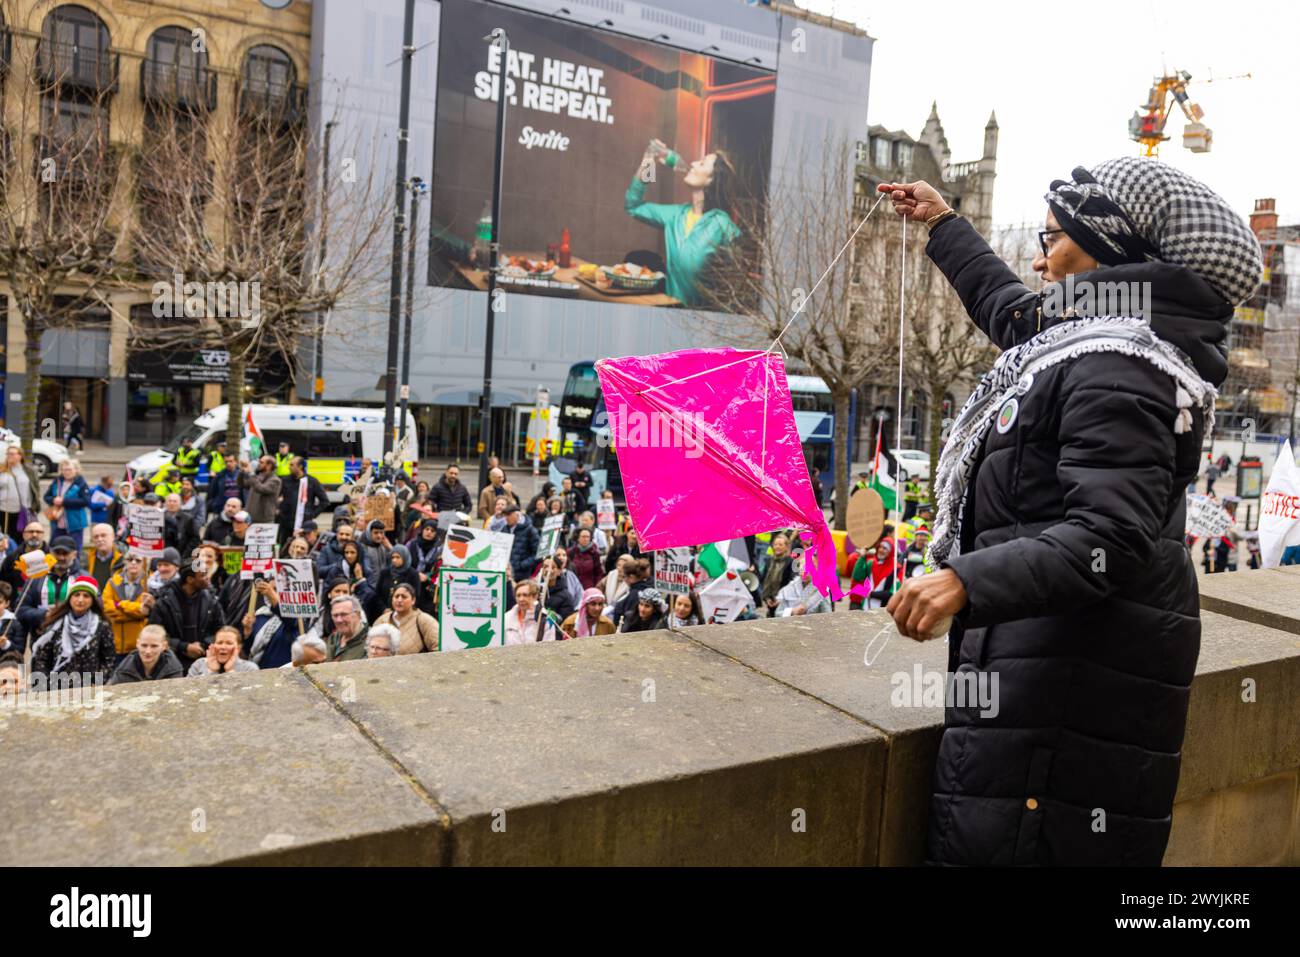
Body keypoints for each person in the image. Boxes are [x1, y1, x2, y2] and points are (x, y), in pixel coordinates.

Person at [878, 158, 1262, 866]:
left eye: (1053, 238)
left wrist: (965, 580)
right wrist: (940, 223)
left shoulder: (1125, 365)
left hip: (1063, 703)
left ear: (1109, 252)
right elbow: (1014, 311)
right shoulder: (1094, 336)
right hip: (1040, 679)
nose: (1038, 256)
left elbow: (1108, 535)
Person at [626, 141, 741, 306]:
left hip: (703, 323)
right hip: (669, 314)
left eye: (701, 163)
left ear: (712, 180)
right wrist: (649, 161)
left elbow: (736, 285)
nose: (693, 163)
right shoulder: (675, 215)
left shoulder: (722, 225)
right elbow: (633, 205)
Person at [29, 575, 115, 682]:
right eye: (76, 595)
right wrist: (45, 684)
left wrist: (97, 682)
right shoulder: (55, 625)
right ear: (70, 598)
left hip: (88, 688)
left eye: (86, 596)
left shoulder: (102, 626)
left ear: (93, 600)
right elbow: (42, 658)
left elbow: (108, 660)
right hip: (57, 686)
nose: (80, 600)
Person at [148, 560, 224, 673]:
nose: (207, 578)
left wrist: (203, 645)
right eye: (203, 575)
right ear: (190, 579)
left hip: (205, 661)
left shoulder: (211, 600)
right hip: (170, 663)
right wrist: (183, 646)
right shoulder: (164, 602)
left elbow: (220, 630)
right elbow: (154, 633)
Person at [17, 536, 81, 639]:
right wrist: (44, 615)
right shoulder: (35, 577)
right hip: (41, 637)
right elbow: (21, 609)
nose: (61, 557)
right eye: (57, 553)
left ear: (74, 555)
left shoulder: (83, 578)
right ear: (50, 553)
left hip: (74, 638)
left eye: (65, 553)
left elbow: (95, 608)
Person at [102, 553, 154, 662]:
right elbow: (108, 610)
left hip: (141, 646)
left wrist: (120, 604)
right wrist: (136, 613)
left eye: (138, 560)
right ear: (125, 562)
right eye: (130, 560)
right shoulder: (112, 582)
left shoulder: (150, 583)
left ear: (144, 563)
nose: (133, 563)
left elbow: (146, 612)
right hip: (116, 646)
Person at [243, 578, 299, 669]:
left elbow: (290, 619)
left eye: (277, 590)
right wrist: (247, 633)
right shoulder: (259, 615)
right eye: (270, 589)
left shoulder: (297, 616)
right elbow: (248, 651)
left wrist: (273, 598)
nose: (271, 593)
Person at [372, 583, 439, 654]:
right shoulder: (382, 621)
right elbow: (371, 649)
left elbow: (438, 648)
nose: (399, 600)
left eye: (404, 597)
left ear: (413, 600)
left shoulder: (424, 620)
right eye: (396, 596)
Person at [277, 457, 330, 544]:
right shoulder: (285, 480)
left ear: (300, 466)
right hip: (286, 522)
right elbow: (278, 496)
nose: (289, 467)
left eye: (292, 465)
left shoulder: (312, 481)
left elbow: (324, 501)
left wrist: (312, 514)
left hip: (304, 523)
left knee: (302, 546)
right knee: (284, 546)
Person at [108, 624, 182, 685]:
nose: (148, 651)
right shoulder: (124, 669)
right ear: (137, 644)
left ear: (164, 646)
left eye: (154, 646)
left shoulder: (174, 669)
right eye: (144, 645)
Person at [44, 459, 91, 546]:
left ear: (76, 470)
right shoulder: (57, 481)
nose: (66, 472)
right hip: (57, 522)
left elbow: (86, 501)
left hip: (75, 523)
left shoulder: (81, 483)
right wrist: (53, 500)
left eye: (69, 469)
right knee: (55, 548)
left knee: (74, 549)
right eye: (64, 469)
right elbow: (46, 497)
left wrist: (64, 501)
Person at [0, 446, 43, 540]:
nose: (9, 456)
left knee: (22, 536)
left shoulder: (29, 471)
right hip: (4, 510)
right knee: (6, 537)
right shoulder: (2, 469)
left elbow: (35, 488)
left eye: (12, 454)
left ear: (20, 456)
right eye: (8, 454)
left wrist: (35, 505)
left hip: (23, 511)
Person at [188, 624, 259, 677]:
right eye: (219, 643)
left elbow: (249, 695)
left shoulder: (250, 669)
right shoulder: (198, 664)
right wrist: (211, 671)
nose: (223, 647)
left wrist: (230, 671)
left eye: (229, 643)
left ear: (239, 647)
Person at [503, 579, 557, 645]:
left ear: (535, 596)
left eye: (525, 595)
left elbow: (549, 646)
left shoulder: (545, 619)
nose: (521, 599)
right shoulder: (506, 618)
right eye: (518, 595)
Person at [757, 532, 794, 617]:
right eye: (775, 544)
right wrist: (766, 598)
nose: (777, 547)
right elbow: (763, 580)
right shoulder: (769, 561)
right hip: (770, 601)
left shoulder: (790, 562)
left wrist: (781, 599)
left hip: (784, 602)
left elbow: (792, 582)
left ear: (786, 547)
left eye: (780, 545)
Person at [324, 594, 369, 662]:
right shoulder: (332, 639)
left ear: (358, 615)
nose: (339, 620)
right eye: (335, 615)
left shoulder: (371, 642)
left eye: (344, 614)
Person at [503, 505, 539, 591]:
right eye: (505, 515)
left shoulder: (530, 530)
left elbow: (537, 553)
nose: (506, 518)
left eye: (509, 515)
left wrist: (522, 565)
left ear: (517, 515)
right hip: (507, 574)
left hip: (522, 575)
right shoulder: (505, 529)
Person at [83, 523, 125, 591]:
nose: (100, 539)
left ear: (113, 537)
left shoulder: (124, 561)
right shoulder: (85, 560)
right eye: (96, 537)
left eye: (103, 535)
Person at [244, 455, 282, 524]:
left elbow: (261, 489)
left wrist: (251, 473)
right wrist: (242, 472)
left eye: (261, 462)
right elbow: (243, 484)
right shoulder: (258, 477)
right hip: (250, 517)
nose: (258, 464)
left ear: (269, 465)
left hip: (264, 519)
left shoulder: (275, 480)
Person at [163, 494, 200, 561]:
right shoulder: (159, 517)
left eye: (175, 501)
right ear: (165, 503)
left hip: (181, 556)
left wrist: (185, 555)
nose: (172, 503)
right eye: (170, 501)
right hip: (163, 555)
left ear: (180, 504)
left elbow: (195, 539)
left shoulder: (188, 519)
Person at [567, 527, 603, 591]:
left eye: (587, 537)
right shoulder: (571, 552)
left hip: (589, 587)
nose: (585, 539)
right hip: (574, 587)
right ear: (578, 538)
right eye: (583, 536)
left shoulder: (595, 553)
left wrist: (596, 587)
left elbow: (598, 572)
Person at [0, 582, 27, 658]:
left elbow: (21, 650)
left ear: (7, 603)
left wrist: (6, 644)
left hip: (7, 665)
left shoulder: (16, 623)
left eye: (0, 602)